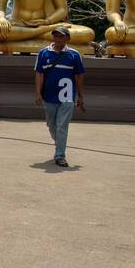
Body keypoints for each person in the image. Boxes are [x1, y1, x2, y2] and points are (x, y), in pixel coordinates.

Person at [34, 26, 86, 166]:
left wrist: (80, 96)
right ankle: (59, 143)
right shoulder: (44, 53)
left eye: (61, 36)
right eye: (56, 36)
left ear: (67, 38)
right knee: (52, 125)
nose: (58, 39)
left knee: (62, 125)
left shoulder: (74, 55)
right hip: (49, 95)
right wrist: (38, 93)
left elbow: (79, 76)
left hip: (67, 96)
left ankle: (60, 155)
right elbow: (39, 74)